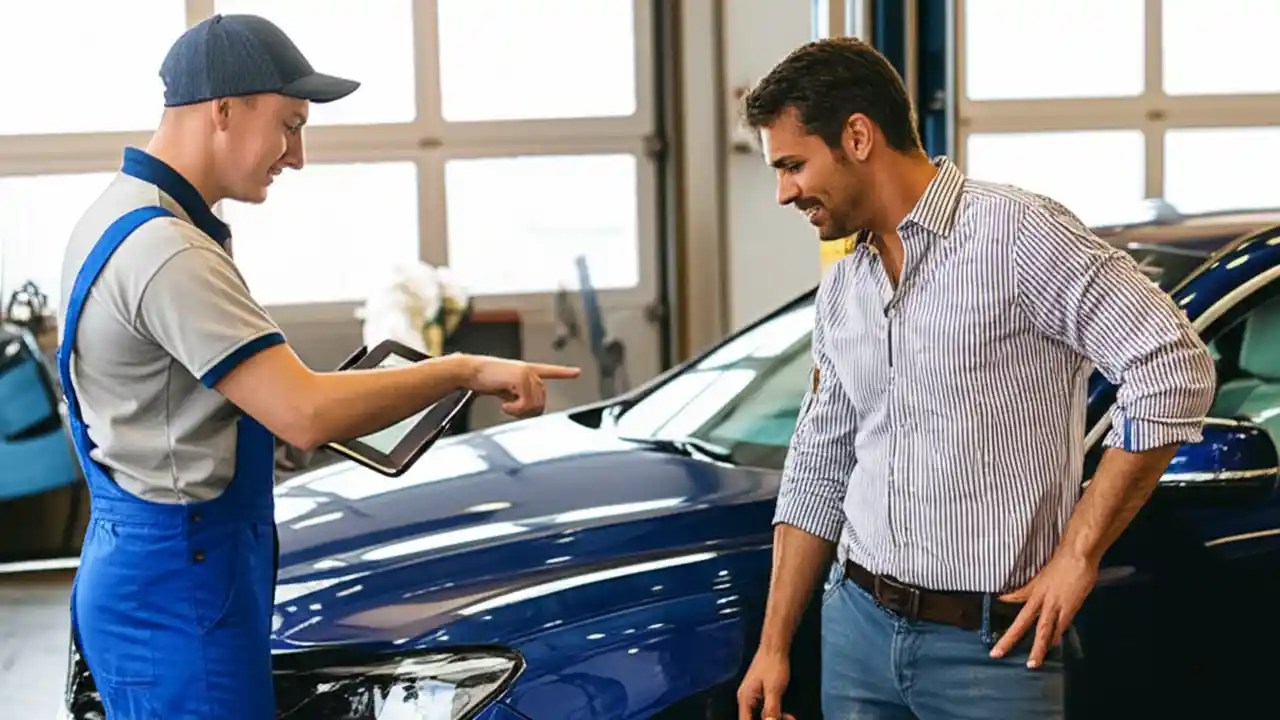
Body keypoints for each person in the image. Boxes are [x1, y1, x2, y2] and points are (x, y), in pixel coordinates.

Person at [57, 14, 579, 719]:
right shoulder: (168, 251)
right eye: (290, 124)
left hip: (144, 567)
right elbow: (305, 413)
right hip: (182, 588)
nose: (296, 156)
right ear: (223, 110)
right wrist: (460, 370)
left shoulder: (117, 214)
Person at [733, 37, 1216, 720]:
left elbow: (1172, 366)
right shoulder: (845, 285)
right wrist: (775, 643)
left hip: (990, 651)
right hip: (857, 633)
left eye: (792, 165)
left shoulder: (1019, 235)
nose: (784, 193)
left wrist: (1078, 555)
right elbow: (819, 461)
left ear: (859, 137)